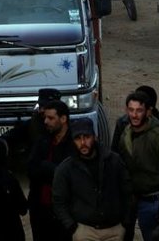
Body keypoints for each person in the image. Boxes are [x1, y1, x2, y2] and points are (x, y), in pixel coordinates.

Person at [52, 118, 131, 241]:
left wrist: (125, 223)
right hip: (84, 230)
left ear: (95, 137)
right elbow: (58, 201)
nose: (83, 142)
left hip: (114, 229)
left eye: (87, 137)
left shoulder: (114, 161)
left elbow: (128, 193)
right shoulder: (65, 169)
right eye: (78, 138)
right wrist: (72, 226)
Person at [114, 90, 159, 241]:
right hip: (131, 198)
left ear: (148, 112)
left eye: (139, 110)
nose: (134, 115)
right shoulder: (125, 132)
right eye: (131, 110)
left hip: (153, 201)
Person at [28, 99, 75, 241]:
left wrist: (47, 168)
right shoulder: (43, 141)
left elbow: (70, 176)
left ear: (63, 119)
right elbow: (31, 170)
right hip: (40, 210)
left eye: (51, 118)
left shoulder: (75, 143)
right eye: (45, 118)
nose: (46, 122)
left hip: (64, 212)